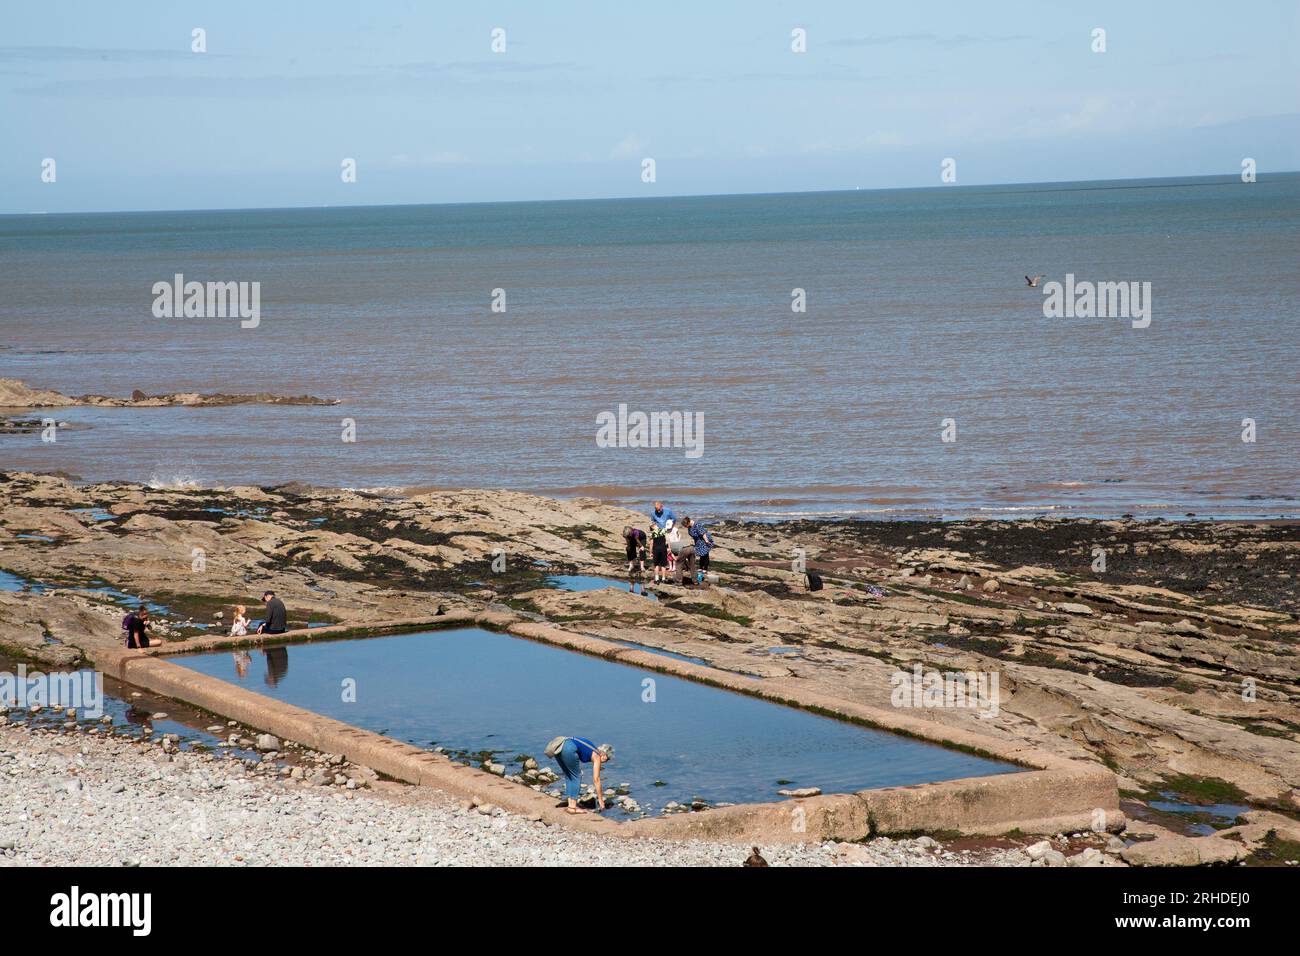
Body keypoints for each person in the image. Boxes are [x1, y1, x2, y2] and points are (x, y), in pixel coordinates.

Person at [552, 737, 615, 814]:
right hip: (568, 748)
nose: (606, 761)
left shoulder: (592, 749)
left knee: (569, 775)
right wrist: (601, 800)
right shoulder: (597, 755)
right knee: (577, 776)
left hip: (559, 746)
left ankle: (571, 804)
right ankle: (572, 808)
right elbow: (596, 779)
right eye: (607, 759)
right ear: (604, 755)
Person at [682, 516, 716, 587]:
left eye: (686, 525)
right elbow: (694, 535)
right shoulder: (689, 527)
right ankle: (701, 568)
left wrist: (706, 541)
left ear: (688, 522)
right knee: (701, 554)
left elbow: (703, 533)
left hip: (704, 539)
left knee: (705, 554)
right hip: (698, 541)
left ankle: (705, 568)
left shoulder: (697, 525)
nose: (685, 527)